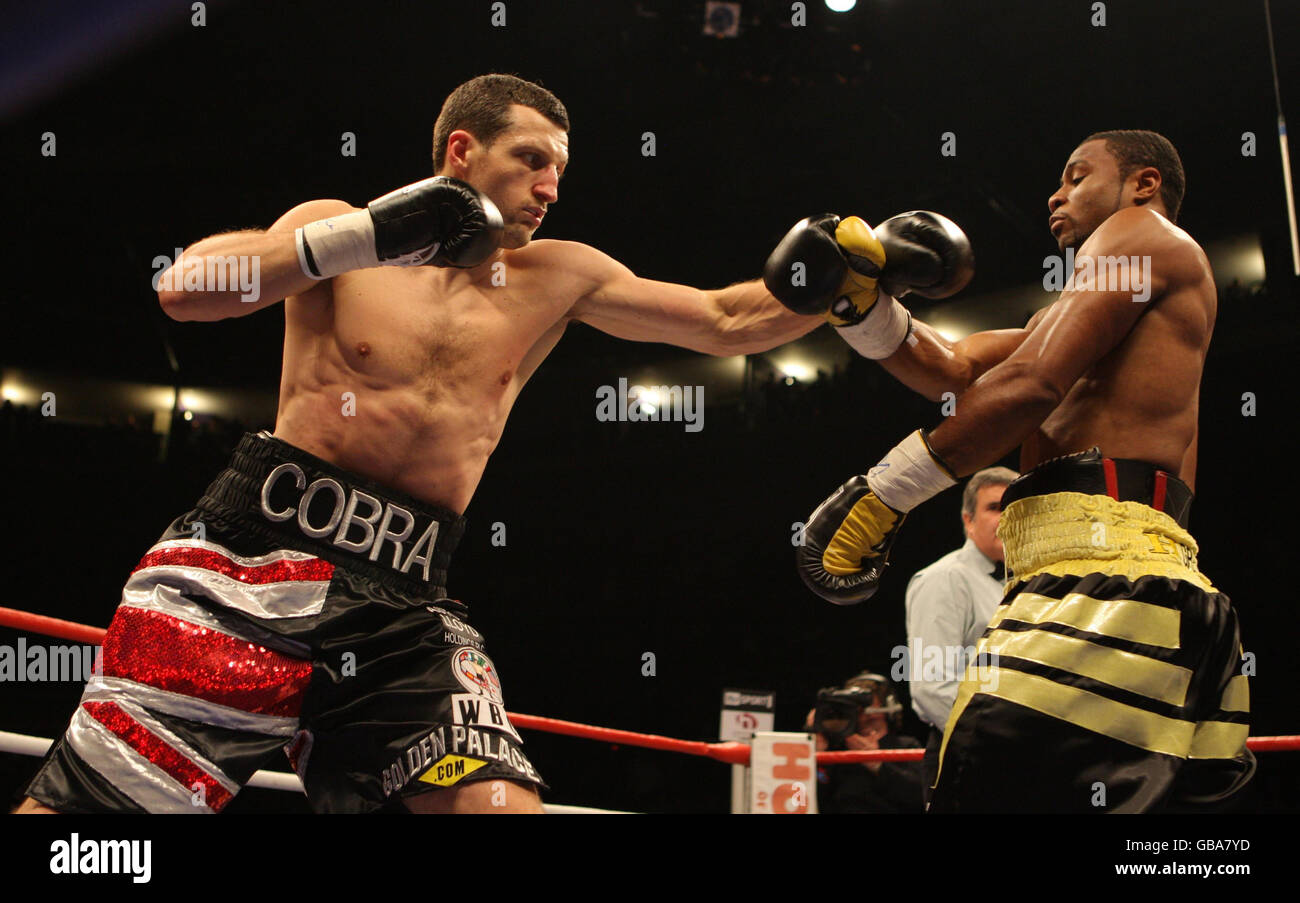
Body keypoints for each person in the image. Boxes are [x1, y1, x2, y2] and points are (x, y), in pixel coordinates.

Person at [17, 73, 863, 815]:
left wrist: (844, 281)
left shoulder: (560, 274)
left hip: (404, 602)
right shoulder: (337, 231)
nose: (551, 186)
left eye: (561, 170)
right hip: (250, 561)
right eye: (532, 159)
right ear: (462, 149)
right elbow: (186, 290)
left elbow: (729, 319)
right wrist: (365, 235)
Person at [775, 130, 1253, 812]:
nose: (1055, 194)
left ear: (1143, 185)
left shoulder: (1140, 237)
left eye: (1077, 175)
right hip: (1120, 583)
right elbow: (953, 365)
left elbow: (1030, 384)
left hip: (1106, 578)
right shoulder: (1083, 303)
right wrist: (860, 305)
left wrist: (886, 492)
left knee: (976, 779)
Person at [905, 467, 1017, 805]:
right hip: (969, 758)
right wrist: (1000, 743)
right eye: (995, 508)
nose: (1006, 518)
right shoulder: (944, 579)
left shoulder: (1031, 584)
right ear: (968, 520)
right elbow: (932, 686)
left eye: (1014, 508)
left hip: (1020, 758)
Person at [805, 673, 923, 814]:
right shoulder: (835, 749)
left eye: (864, 699)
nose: (859, 709)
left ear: (885, 704)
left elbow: (920, 797)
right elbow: (802, 799)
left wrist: (877, 765)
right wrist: (815, 758)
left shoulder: (906, 746)